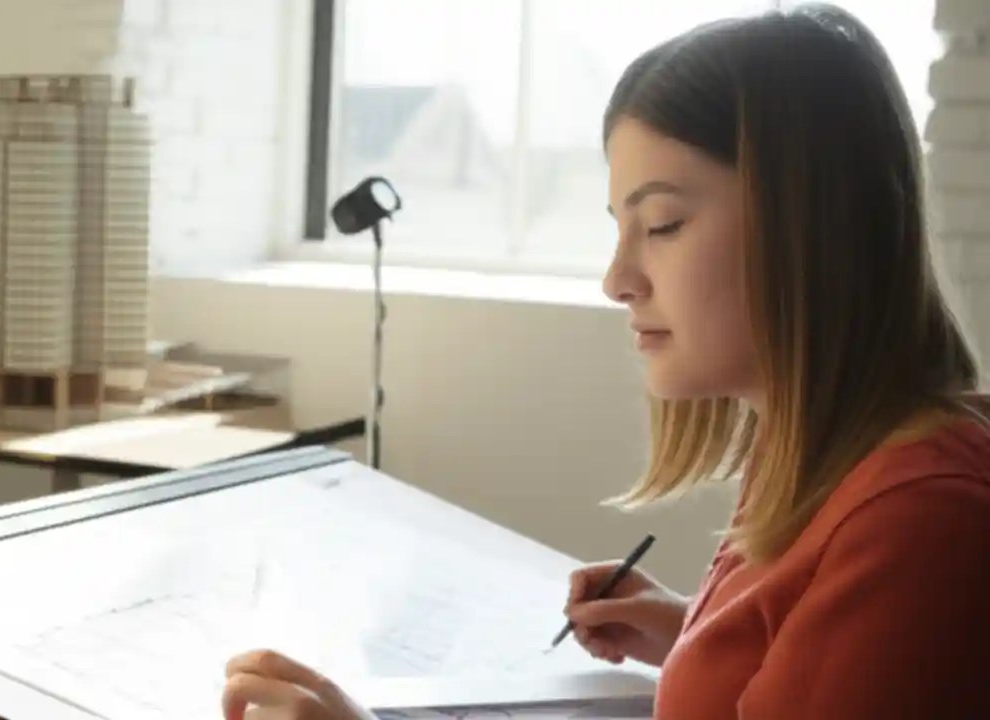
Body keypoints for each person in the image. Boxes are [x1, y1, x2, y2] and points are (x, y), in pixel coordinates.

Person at [219, 4, 990, 719]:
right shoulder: (819, 455)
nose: (617, 279)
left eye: (663, 224)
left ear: (811, 229)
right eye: (620, 228)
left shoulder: (920, 524)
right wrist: (694, 631)